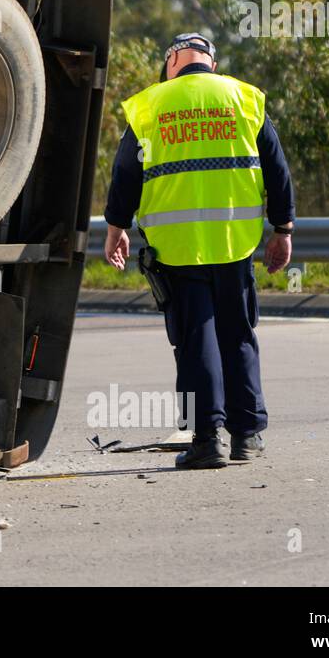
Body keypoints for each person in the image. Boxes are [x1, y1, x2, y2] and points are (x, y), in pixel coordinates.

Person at [103, 33, 295, 469]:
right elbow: (277, 170)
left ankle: (208, 440)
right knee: (239, 336)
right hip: (234, 244)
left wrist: (116, 228)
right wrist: (282, 229)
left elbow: (125, 175)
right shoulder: (245, 99)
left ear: (172, 62)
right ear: (210, 62)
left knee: (196, 343)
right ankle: (246, 438)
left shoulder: (150, 106)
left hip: (178, 250)